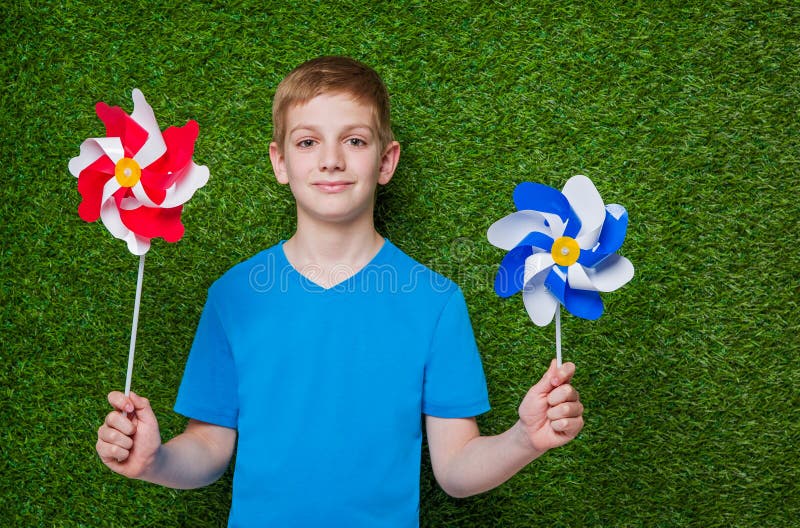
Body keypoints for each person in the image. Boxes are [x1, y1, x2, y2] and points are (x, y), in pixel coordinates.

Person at [96, 56, 584, 527]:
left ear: (386, 161)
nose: (331, 160)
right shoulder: (233, 297)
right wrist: (154, 461)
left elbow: (455, 471)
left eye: (354, 140)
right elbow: (208, 450)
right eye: (308, 142)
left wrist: (525, 438)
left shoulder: (435, 302)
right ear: (279, 161)